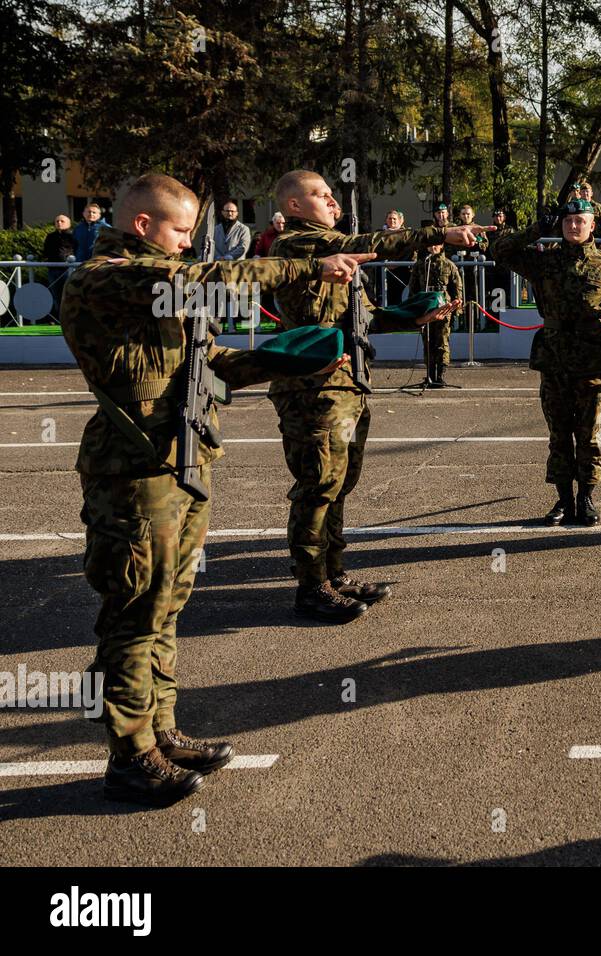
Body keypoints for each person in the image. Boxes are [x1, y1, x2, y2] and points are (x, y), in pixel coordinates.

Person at [61, 172, 371, 805]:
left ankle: (161, 732)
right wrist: (297, 268)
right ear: (143, 225)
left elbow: (206, 361)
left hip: (177, 464)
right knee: (134, 614)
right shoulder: (108, 276)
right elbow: (200, 282)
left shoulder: (160, 286)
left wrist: (283, 357)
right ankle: (130, 756)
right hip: (133, 472)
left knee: (167, 608)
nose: (186, 245)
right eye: (180, 231)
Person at [269, 169, 482, 622]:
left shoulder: (334, 253)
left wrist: (413, 316)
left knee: (340, 484)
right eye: (320, 195)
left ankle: (333, 573)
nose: (331, 201)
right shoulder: (299, 246)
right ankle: (311, 589)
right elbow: (376, 241)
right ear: (293, 206)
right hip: (313, 389)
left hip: (347, 387)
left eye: (331, 194)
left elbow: (366, 319)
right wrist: (439, 233)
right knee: (318, 487)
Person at [493, 199, 601, 526]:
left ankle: (586, 497)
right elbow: (501, 251)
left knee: (588, 436)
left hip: (590, 362)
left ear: (592, 225)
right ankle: (562, 499)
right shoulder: (546, 261)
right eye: (568, 220)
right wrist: (537, 229)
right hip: (553, 361)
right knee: (558, 434)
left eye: (579, 221)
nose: (573, 226)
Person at [413, 240, 463, 388]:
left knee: (441, 341)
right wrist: (415, 309)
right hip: (426, 306)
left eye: (436, 244)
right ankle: (429, 374)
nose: (433, 247)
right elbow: (414, 287)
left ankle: (440, 375)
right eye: (430, 245)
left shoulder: (448, 265)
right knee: (427, 341)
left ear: (441, 246)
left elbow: (457, 287)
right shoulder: (421, 265)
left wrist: (457, 308)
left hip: (443, 306)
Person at [42, 214, 78, 321]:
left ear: (69, 223)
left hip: (68, 269)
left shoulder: (72, 236)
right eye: (57, 221)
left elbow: (77, 249)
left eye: (62, 221)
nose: (59, 223)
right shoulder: (50, 237)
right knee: (55, 295)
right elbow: (46, 251)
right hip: (52, 269)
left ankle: (70, 319)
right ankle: (58, 319)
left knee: (68, 294)